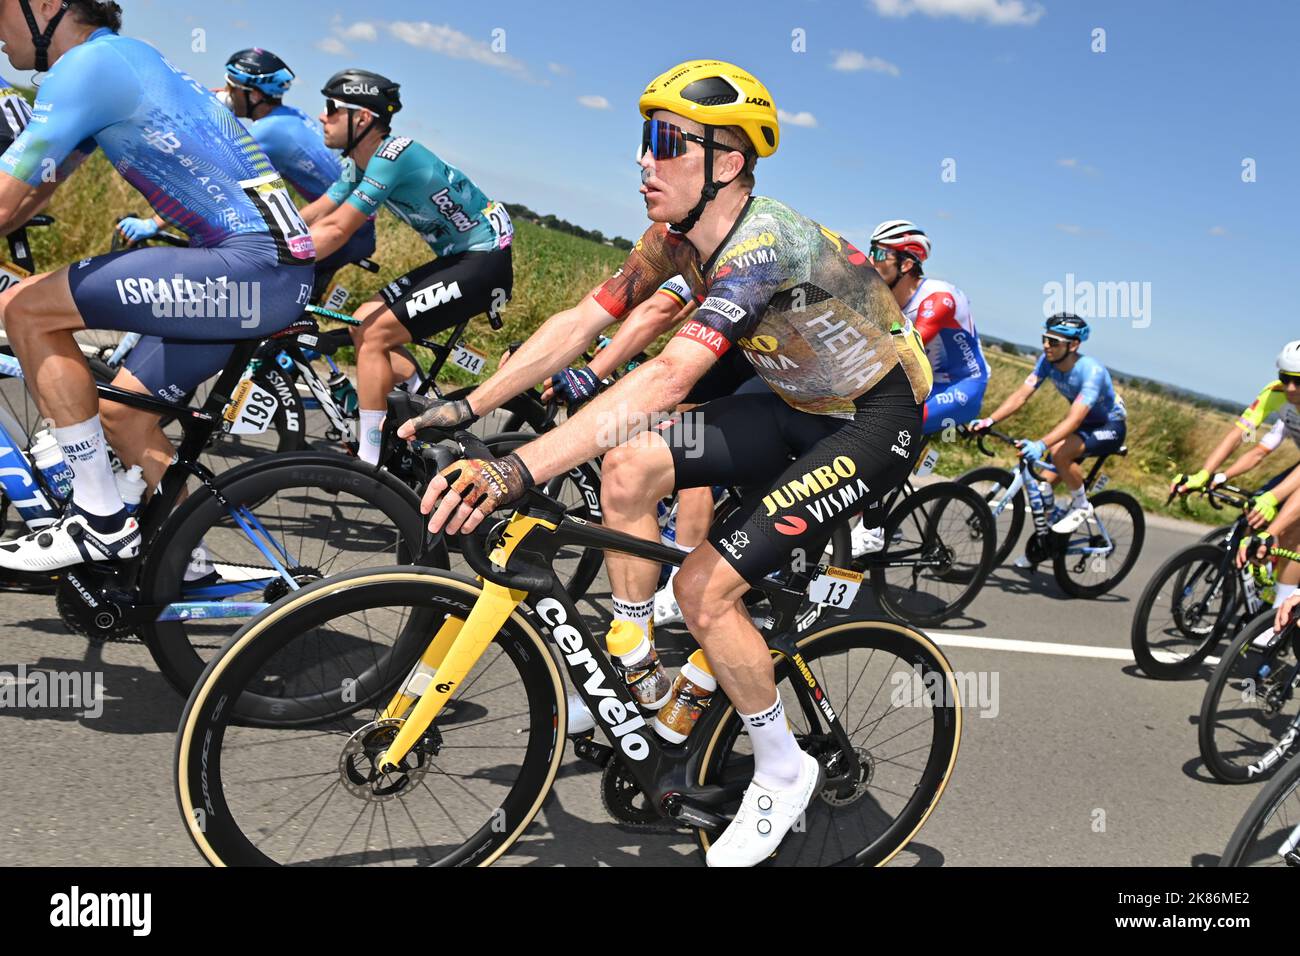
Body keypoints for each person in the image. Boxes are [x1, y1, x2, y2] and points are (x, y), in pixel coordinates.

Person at [402, 59, 932, 866]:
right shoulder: (673, 238)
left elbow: (668, 374)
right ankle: (633, 661)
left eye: (666, 143)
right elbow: (590, 318)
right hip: (790, 400)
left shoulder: (764, 242)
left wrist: (517, 472)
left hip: (870, 420)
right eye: (643, 142)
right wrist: (473, 404)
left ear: (730, 162)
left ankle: (783, 768)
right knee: (627, 471)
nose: (645, 161)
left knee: (705, 587)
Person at [0, 0, 315, 571]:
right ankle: (181, 559)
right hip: (267, 273)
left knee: (25, 309)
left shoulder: (86, 66)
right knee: (124, 417)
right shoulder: (122, 60)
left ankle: (98, 519)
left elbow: (6, 197)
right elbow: (31, 189)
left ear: (45, 6)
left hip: (247, 268)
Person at [299, 68, 513, 465]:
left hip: (483, 260)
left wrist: (274, 257)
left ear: (361, 118)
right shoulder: (359, 161)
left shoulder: (393, 157)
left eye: (332, 108)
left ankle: (371, 456)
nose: (321, 116)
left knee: (373, 332)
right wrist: (267, 232)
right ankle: (413, 403)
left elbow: (338, 228)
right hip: (457, 256)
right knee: (361, 320)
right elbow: (319, 211)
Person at [854, 218, 987, 554]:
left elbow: (900, 350)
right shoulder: (885, 296)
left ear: (908, 263)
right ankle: (875, 512)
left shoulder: (938, 299)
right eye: (871, 249)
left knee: (885, 426)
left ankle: (874, 526)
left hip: (960, 387)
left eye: (879, 252)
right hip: (921, 382)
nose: (871, 259)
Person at [971, 314, 1126, 535]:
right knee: (1044, 490)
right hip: (1084, 425)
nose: (1046, 345)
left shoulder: (1092, 371)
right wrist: (990, 420)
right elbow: (1021, 396)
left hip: (1110, 425)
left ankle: (1082, 506)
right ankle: (1045, 546)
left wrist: (1041, 445)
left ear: (1073, 345)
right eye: (1045, 338)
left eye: (1054, 342)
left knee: (1059, 453)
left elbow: (1075, 419)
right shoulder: (1046, 362)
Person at [1184, 341, 1300, 606]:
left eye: (1298, 381)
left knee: (1291, 529)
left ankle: (1279, 615)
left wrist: (1273, 500)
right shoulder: (1276, 395)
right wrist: (1209, 474)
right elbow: (1244, 439)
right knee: (1255, 514)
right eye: (1285, 379)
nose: (1290, 388)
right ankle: (1265, 576)